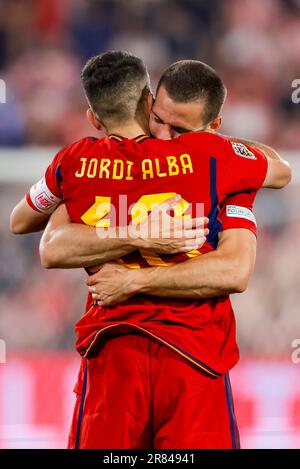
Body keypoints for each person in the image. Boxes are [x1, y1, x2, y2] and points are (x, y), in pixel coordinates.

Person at [10, 52, 291, 449]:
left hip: (113, 349)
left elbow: (28, 228)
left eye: (180, 128)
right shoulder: (212, 158)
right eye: (160, 120)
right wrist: (140, 233)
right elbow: (279, 168)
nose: (166, 134)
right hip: (193, 352)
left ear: (92, 116)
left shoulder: (78, 161)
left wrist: (131, 273)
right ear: (148, 101)